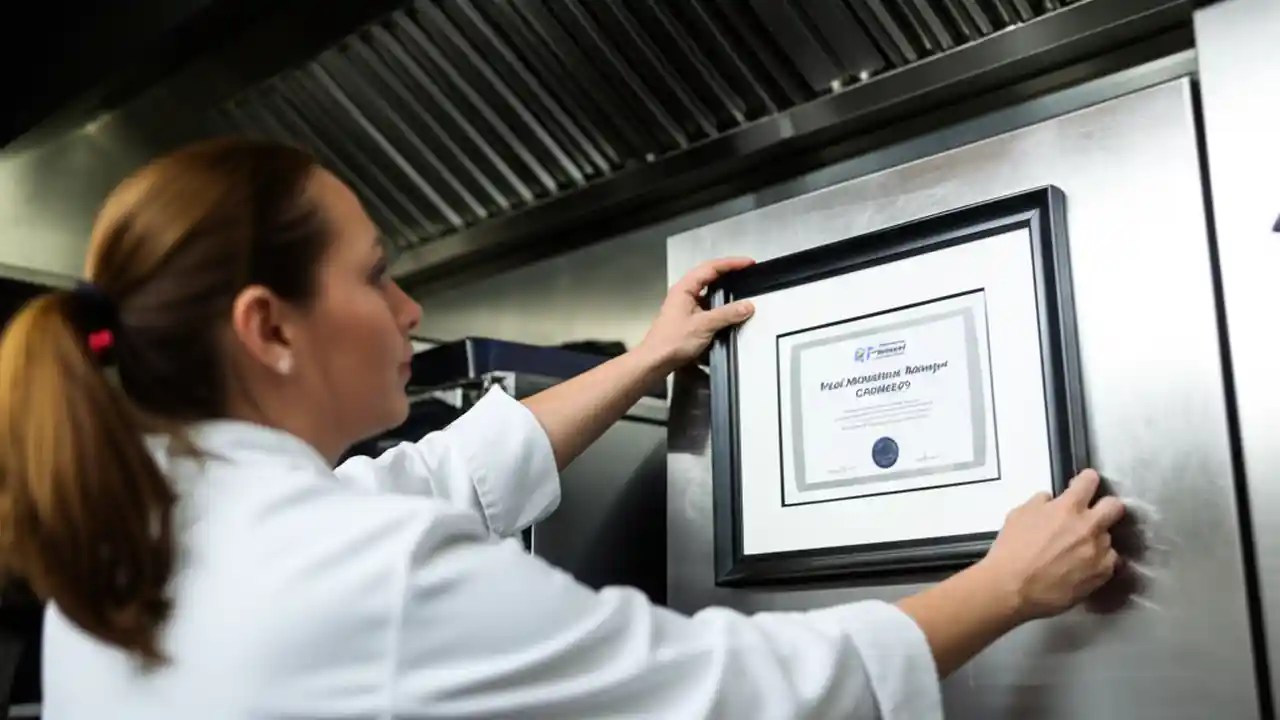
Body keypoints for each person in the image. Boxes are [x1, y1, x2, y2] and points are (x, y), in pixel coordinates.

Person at [0, 138, 1124, 719]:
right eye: (376, 274)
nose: (408, 310)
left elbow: (451, 473)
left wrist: (645, 359)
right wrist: (1006, 586)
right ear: (270, 329)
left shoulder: (131, 550)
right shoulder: (352, 575)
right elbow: (737, 699)